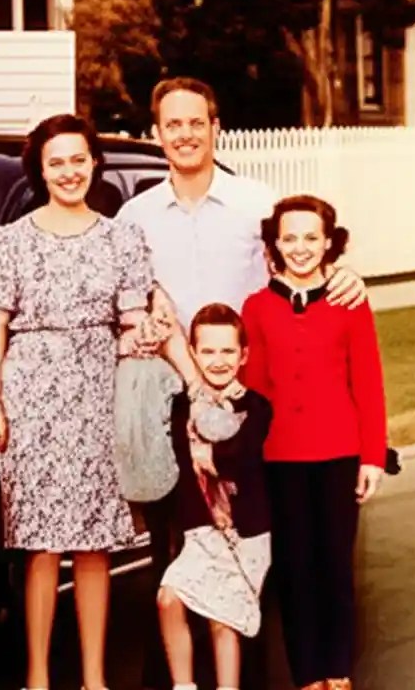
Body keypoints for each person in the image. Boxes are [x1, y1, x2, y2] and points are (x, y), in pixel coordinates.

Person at [114, 76, 369, 690]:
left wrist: (349, 275)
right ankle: (176, 680)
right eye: (172, 124)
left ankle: (246, 679)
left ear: (215, 127)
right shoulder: (136, 215)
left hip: (248, 400)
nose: (185, 134)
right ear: (157, 134)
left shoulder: (256, 202)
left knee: (248, 541)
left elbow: (305, 261)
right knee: (176, 551)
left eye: (196, 122)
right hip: (172, 399)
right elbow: (127, 305)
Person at [0, 113, 152, 690]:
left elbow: (130, 319)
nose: (70, 171)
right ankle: (38, 678)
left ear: (94, 163)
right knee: (42, 544)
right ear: (40, 170)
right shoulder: (8, 242)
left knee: (96, 541)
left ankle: (95, 679)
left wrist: (148, 328)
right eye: (57, 162)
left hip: (100, 392)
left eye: (79, 159)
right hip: (31, 398)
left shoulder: (121, 237)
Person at [240, 194, 387, 690]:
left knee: (335, 567)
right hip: (280, 457)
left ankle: (337, 670)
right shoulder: (256, 308)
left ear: (328, 243)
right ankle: (307, 674)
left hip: (340, 453)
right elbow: (255, 389)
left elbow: (368, 380)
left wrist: (372, 456)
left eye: (310, 238)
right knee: (295, 570)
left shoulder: (351, 302)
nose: (300, 248)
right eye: (289, 238)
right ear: (274, 245)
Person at [157, 303, 274, 690]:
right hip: (200, 530)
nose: (218, 360)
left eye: (227, 351)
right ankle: (184, 685)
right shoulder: (179, 407)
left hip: (245, 534)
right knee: (169, 598)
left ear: (244, 356)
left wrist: (207, 447)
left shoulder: (256, 407)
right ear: (192, 353)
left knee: (223, 620)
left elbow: (237, 453)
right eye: (208, 351)